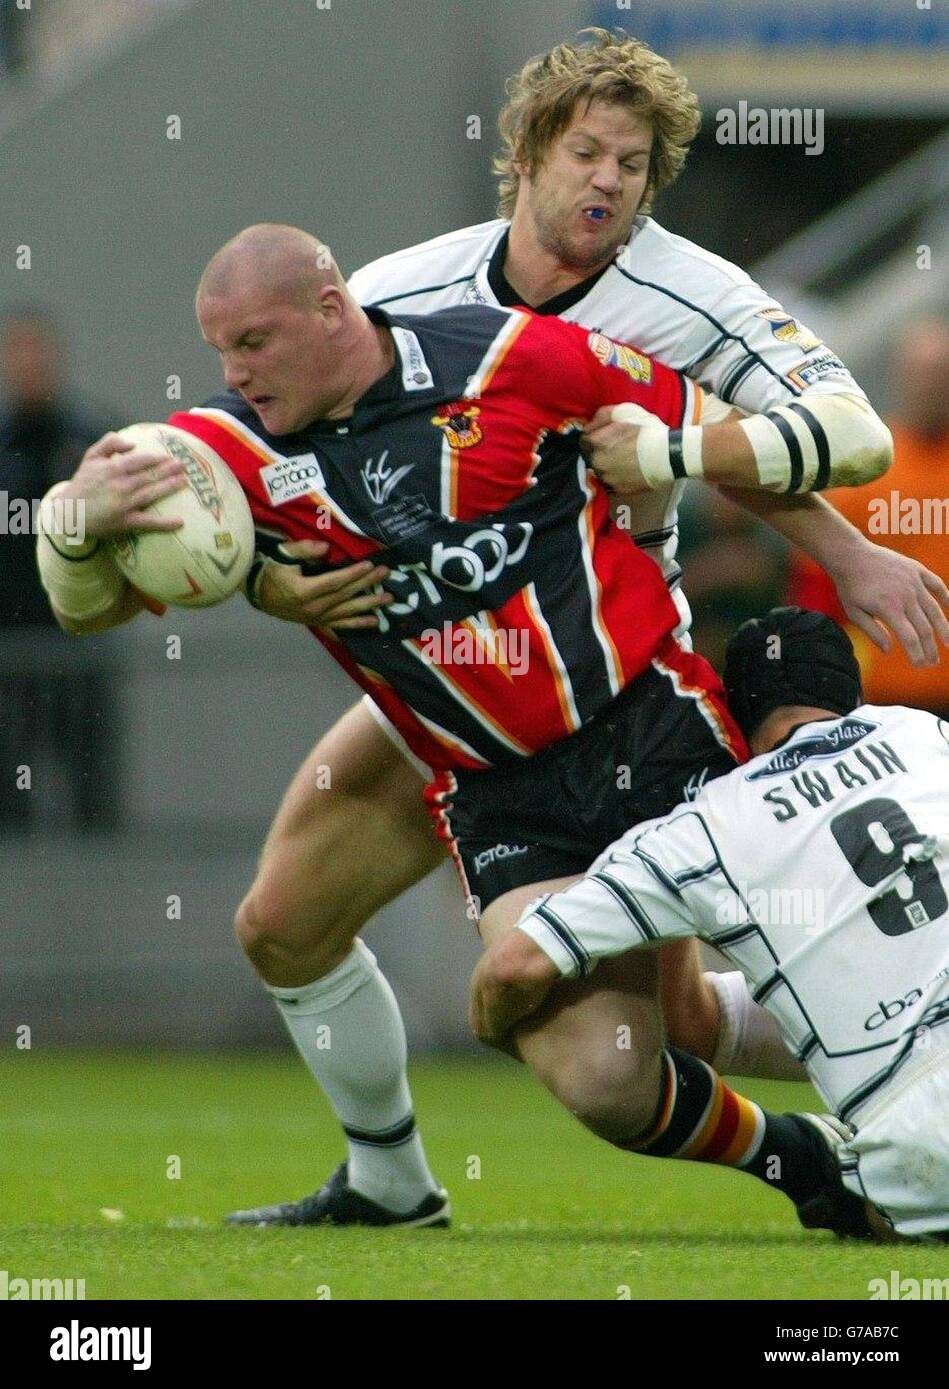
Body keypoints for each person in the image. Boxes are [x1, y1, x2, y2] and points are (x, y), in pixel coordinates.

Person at [213, 29, 948, 1226]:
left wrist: (838, 544)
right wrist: (265, 583)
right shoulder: (398, 296)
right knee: (281, 924)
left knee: (659, 1035)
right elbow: (261, 476)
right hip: (437, 687)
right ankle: (392, 1188)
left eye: (633, 162)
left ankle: (849, 1143)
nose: (607, 179)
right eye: (586, 151)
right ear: (526, 156)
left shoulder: (688, 294)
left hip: (612, 677)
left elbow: (817, 430)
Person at [37, 226, 887, 1235]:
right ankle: (799, 1158)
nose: (233, 372)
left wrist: (823, 537)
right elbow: (90, 609)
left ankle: (910, 1120)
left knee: (822, 964)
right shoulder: (222, 457)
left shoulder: (509, 355)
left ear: (328, 308)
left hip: (649, 729)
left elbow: (734, 436)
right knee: (606, 1078)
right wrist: (75, 525)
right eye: (219, 347)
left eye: (254, 342)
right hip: (498, 794)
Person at [472, 607, 949, 1241]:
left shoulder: (702, 825)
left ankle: (821, 1173)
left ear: (736, 722)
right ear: (853, 692)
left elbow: (515, 966)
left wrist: (491, 1026)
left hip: (920, 1147)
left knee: (879, 1200)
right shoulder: (925, 736)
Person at [790, 316, 949, 718]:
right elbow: (817, 594)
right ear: (900, 375)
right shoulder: (863, 469)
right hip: (890, 697)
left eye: (942, 372)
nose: (932, 384)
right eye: (923, 372)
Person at [0, 306, 121, 828]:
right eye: (16, 353)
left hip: (78, 643)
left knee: (90, 783)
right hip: (9, 649)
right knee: (9, 794)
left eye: (37, 352)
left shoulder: (91, 441)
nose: (28, 365)